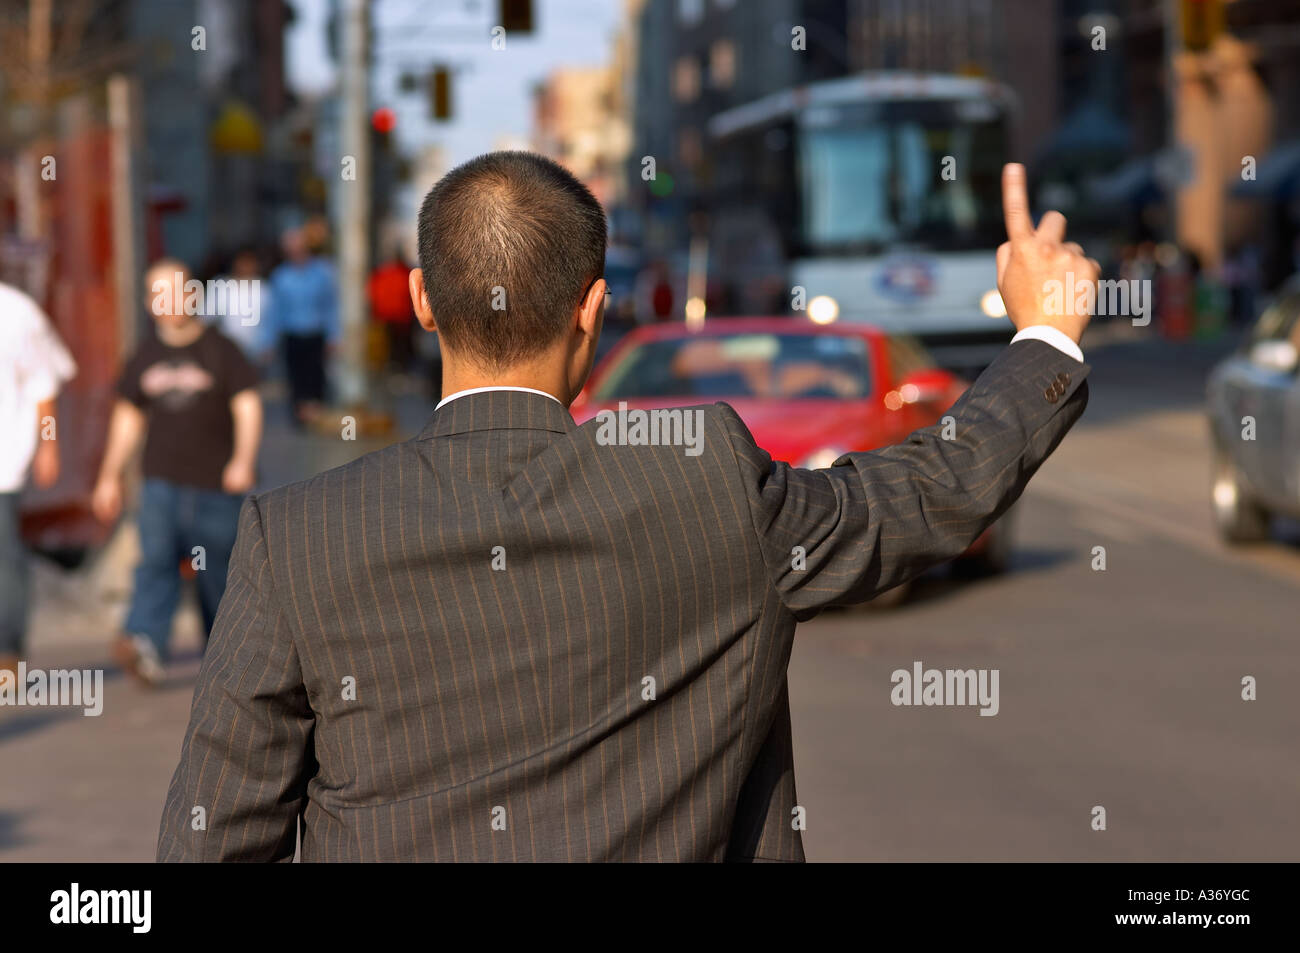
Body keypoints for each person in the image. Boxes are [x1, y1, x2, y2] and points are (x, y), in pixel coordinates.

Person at [158, 154, 1095, 862]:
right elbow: (930, 493)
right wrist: (1044, 332)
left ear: (421, 305)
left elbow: (212, 837)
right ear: (593, 309)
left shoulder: (300, 534)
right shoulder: (704, 481)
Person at [93, 259, 263, 686]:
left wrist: (243, 460)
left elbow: (248, 407)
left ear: (192, 295)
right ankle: (145, 645)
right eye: (158, 293)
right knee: (155, 562)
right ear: (150, 302)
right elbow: (128, 417)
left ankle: (226, 658)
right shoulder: (145, 355)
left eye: (176, 291)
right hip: (160, 484)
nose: (169, 301)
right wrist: (110, 474)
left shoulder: (222, 350)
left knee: (217, 576)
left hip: (215, 486)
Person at [0, 281, 76, 676]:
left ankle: (7, 652)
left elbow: (44, 386)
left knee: (4, 557)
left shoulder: (15, 312)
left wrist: (49, 445)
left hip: (4, 460)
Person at [266, 227, 338, 426]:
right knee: (295, 377)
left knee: (316, 375)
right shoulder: (281, 276)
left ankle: (316, 413)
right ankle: (300, 415)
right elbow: (275, 311)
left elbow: (330, 305)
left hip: (315, 333)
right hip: (292, 334)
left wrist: (334, 335)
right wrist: (269, 341)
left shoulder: (322, 273)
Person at [368, 249, 417, 375]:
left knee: (391, 347)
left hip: (387, 317)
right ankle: (400, 368)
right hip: (402, 318)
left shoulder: (383, 274)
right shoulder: (405, 273)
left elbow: (373, 294)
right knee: (401, 347)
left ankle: (393, 367)